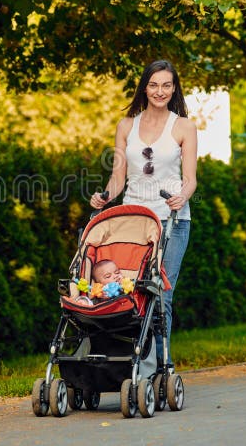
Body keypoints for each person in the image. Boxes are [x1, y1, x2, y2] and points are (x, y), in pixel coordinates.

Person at [89, 59, 198, 371]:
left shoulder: (183, 127)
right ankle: (136, 362)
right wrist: (105, 197)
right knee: (132, 293)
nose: (159, 91)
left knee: (162, 293)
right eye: (153, 85)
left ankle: (162, 367)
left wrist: (183, 196)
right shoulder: (127, 126)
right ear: (144, 87)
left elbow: (190, 178)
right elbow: (118, 178)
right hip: (135, 222)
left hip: (172, 221)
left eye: (166, 85)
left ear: (174, 88)